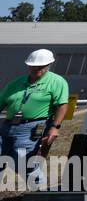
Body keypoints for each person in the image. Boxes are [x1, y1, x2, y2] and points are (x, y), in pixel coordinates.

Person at [0, 49, 70, 186]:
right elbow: (2, 101)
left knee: (24, 163)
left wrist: (55, 128)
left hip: (32, 128)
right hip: (7, 126)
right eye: (33, 66)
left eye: (40, 67)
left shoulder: (56, 82)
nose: (36, 69)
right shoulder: (17, 83)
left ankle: (41, 193)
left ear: (48, 65)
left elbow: (62, 105)